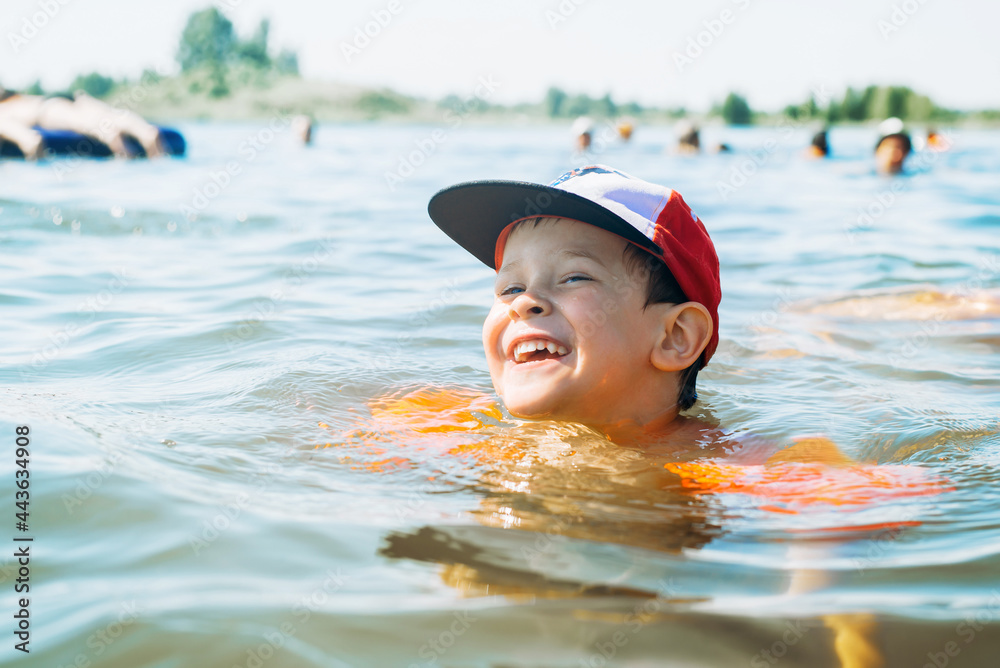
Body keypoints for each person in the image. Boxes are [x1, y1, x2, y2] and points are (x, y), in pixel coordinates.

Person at [428, 164, 720, 443]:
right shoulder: (442, 427)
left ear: (676, 337)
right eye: (511, 288)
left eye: (574, 278)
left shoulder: (729, 474)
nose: (524, 302)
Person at [0, 87, 164, 159]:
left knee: (94, 126)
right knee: (111, 116)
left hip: (46, 109)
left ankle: (118, 147)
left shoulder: (4, 110)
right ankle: (144, 132)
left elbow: (30, 140)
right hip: (71, 97)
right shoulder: (20, 98)